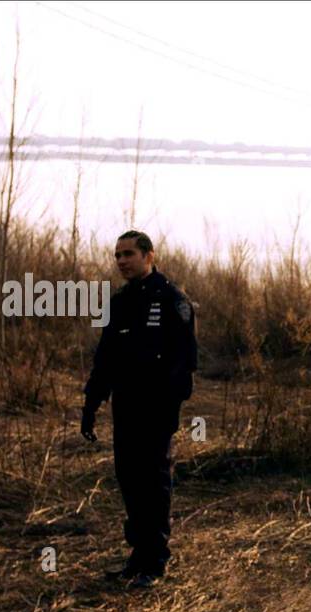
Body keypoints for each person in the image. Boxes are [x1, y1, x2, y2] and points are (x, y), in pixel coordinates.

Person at [81, 230, 197, 588]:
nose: (121, 261)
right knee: (129, 478)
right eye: (117, 255)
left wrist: (169, 408)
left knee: (153, 481)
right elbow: (106, 358)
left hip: (156, 409)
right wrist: (91, 403)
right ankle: (138, 556)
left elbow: (185, 360)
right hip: (126, 406)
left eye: (128, 254)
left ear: (149, 255)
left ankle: (155, 561)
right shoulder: (119, 302)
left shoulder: (172, 299)